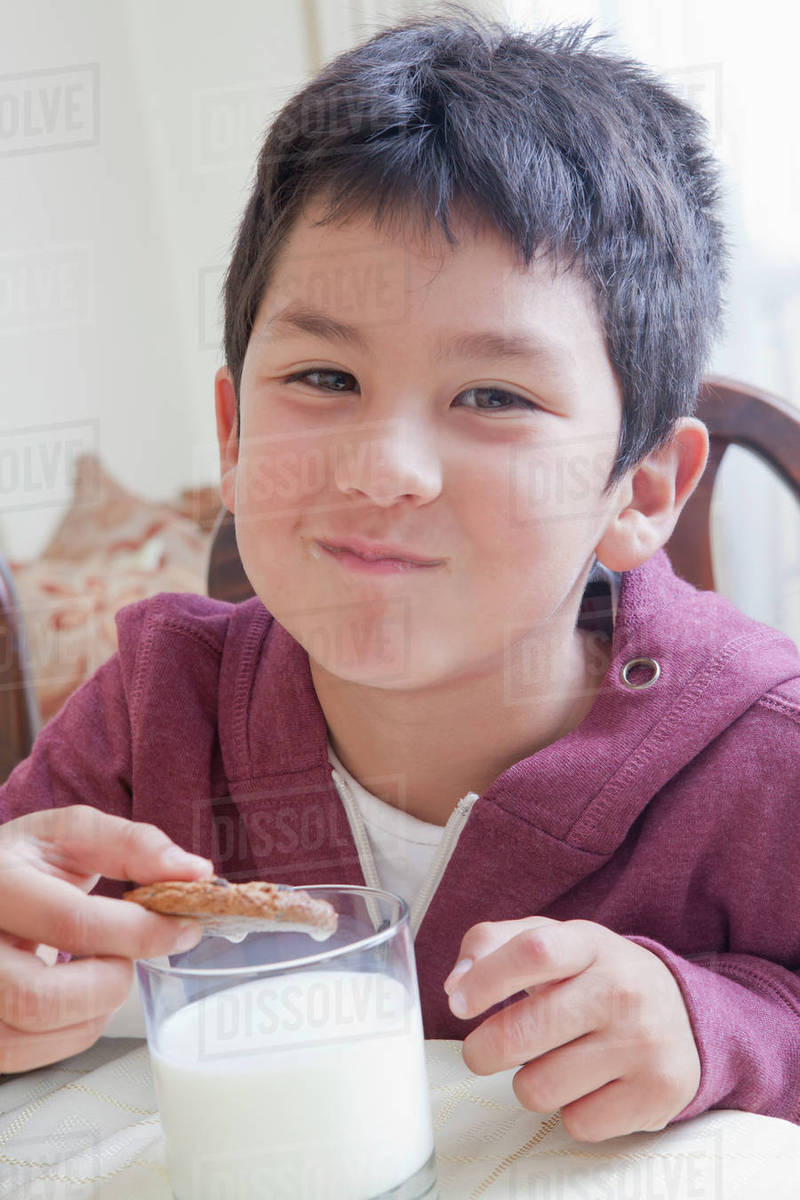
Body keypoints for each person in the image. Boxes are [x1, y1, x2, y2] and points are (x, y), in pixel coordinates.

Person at [2, 3, 799, 1144]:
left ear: (643, 490)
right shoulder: (152, 708)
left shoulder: (765, 759)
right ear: (230, 439)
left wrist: (721, 1025)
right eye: (323, 378)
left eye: (493, 397)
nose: (382, 470)